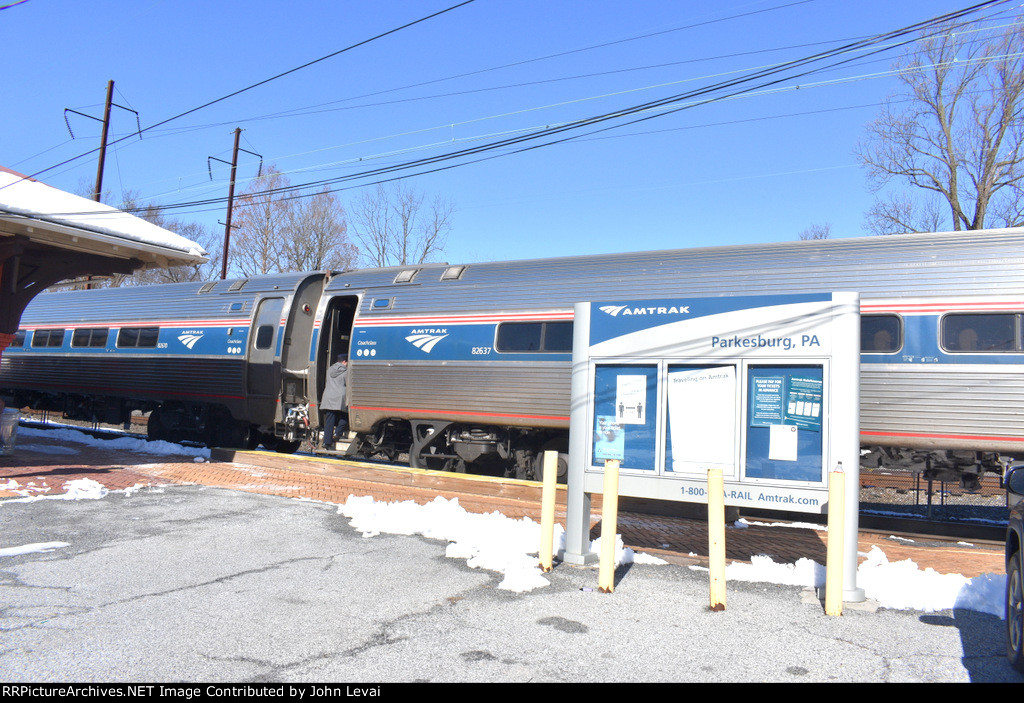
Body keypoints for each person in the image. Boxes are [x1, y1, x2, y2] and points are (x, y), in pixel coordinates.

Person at [319, 354, 348, 448]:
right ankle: (338, 433)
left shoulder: (330, 369)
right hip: (340, 398)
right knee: (345, 416)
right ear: (344, 361)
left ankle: (326, 442)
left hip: (329, 396)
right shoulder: (347, 371)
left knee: (329, 420)